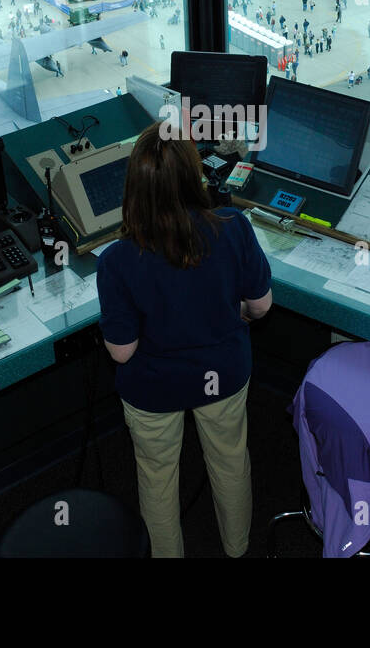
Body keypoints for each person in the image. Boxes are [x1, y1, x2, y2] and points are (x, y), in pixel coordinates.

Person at [96, 123, 272, 558]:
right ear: (195, 175)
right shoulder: (233, 226)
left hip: (154, 387)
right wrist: (237, 317)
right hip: (223, 375)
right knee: (230, 460)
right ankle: (237, 547)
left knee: (157, 477)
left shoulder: (117, 259)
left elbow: (122, 351)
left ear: (134, 187)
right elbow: (262, 306)